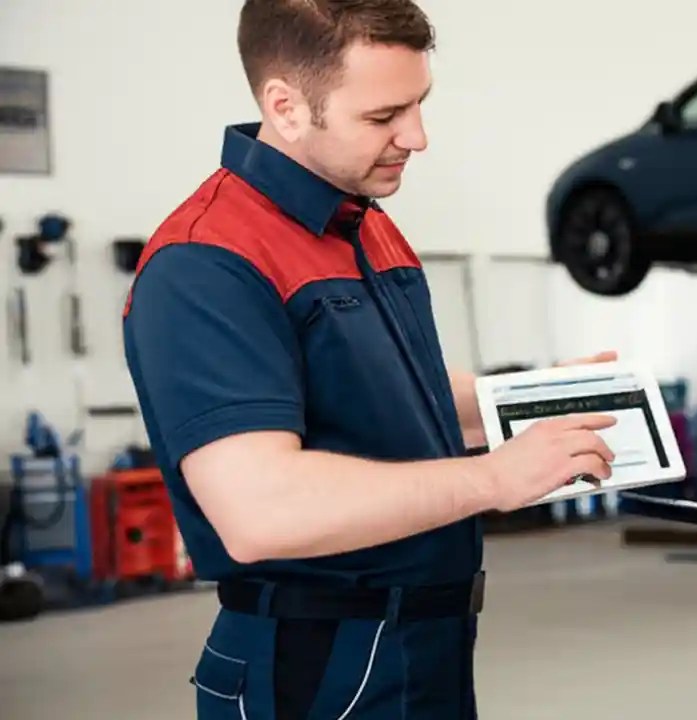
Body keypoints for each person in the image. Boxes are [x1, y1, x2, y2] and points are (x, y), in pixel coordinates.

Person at [122, 2, 616, 718]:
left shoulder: (361, 222)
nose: (416, 137)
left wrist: (533, 399)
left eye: (419, 105)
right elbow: (259, 509)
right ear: (286, 107)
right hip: (316, 663)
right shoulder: (207, 262)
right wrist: (493, 479)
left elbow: (389, 397)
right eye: (384, 116)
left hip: (421, 643)